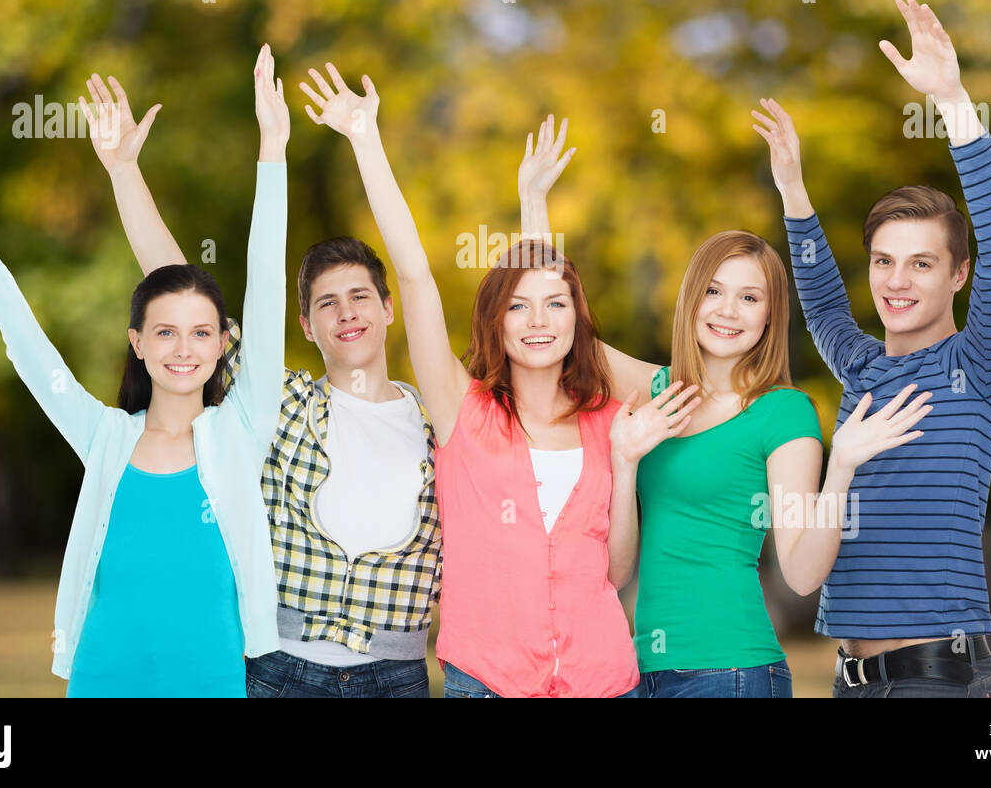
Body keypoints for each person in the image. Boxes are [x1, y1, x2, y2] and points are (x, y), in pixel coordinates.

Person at [297, 70, 697, 697]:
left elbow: (615, 573)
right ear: (495, 322)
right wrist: (364, 137)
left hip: (604, 681)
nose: (538, 322)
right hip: (486, 681)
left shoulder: (609, 421)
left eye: (557, 307)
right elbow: (414, 273)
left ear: (579, 320)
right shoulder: (464, 412)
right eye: (517, 308)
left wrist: (624, 460)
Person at [0, 46, 288, 696]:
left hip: (212, 681)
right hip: (101, 678)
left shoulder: (243, 429)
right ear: (137, 343)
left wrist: (272, 150)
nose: (183, 348)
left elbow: (267, 279)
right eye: (165, 331)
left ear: (224, 344)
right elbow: (29, 350)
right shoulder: (106, 437)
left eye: (201, 333)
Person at [521, 119, 931, 697]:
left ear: (769, 316)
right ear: (691, 300)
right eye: (713, 290)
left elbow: (803, 571)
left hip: (732, 673)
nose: (728, 311)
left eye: (749, 297)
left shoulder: (783, 412)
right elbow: (560, 336)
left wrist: (841, 470)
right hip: (642, 671)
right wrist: (533, 203)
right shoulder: (659, 392)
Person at [87, 51, 439, 698]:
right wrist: (124, 171)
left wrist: (364, 138)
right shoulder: (279, 401)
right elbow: (179, 288)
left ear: (388, 309)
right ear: (306, 326)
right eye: (326, 304)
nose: (346, 313)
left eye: (360, 296)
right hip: (282, 670)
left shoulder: (436, 418)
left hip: (398, 675)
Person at [755, 0, 991, 697]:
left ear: (958, 274)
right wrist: (792, 188)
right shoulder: (863, 369)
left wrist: (952, 99)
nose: (897, 281)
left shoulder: (981, 365)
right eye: (883, 261)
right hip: (853, 681)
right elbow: (817, 299)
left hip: (937, 678)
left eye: (922, 263)